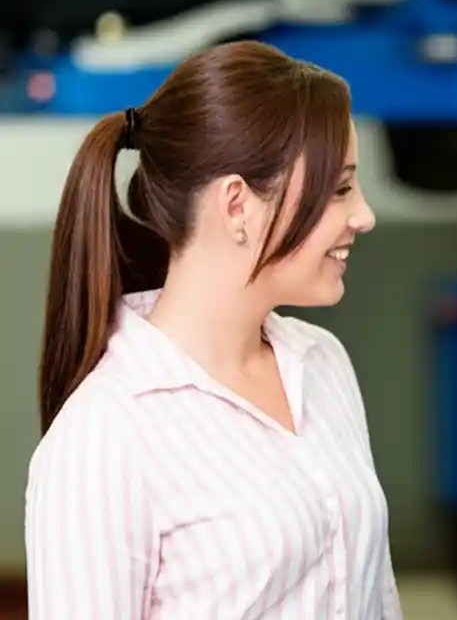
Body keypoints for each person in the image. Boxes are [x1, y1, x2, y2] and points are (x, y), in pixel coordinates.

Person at [24, 40, 402, 618]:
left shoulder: (322, 362)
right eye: (341, 188)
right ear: (236, 205)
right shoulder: (105, 434)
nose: (364, 215)